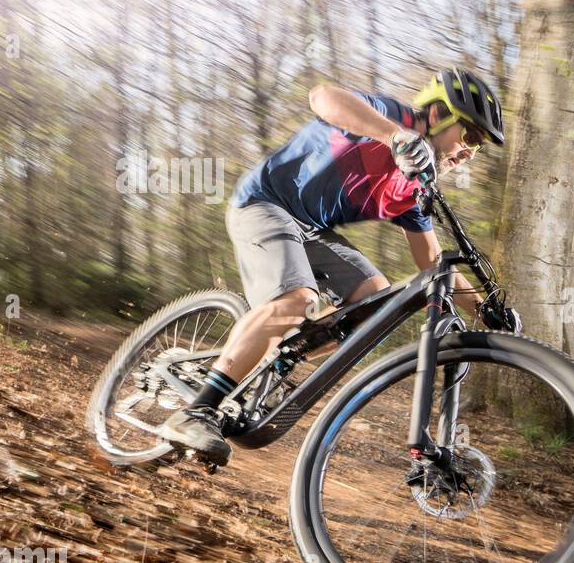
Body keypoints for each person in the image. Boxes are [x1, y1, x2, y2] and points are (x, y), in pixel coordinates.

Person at [158, 67, 514, 466]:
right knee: (298, 299)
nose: (469, 152)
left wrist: (484, 309)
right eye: (469, 136)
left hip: (311, 231)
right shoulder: (388, 118)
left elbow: (432, 261)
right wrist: (395, 135)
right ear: (436, 116)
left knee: (374, 305)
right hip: (264, 204)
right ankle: (197, 411)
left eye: (478, 147)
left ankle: (269, 360)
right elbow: (323, 96)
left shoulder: (412, 186)